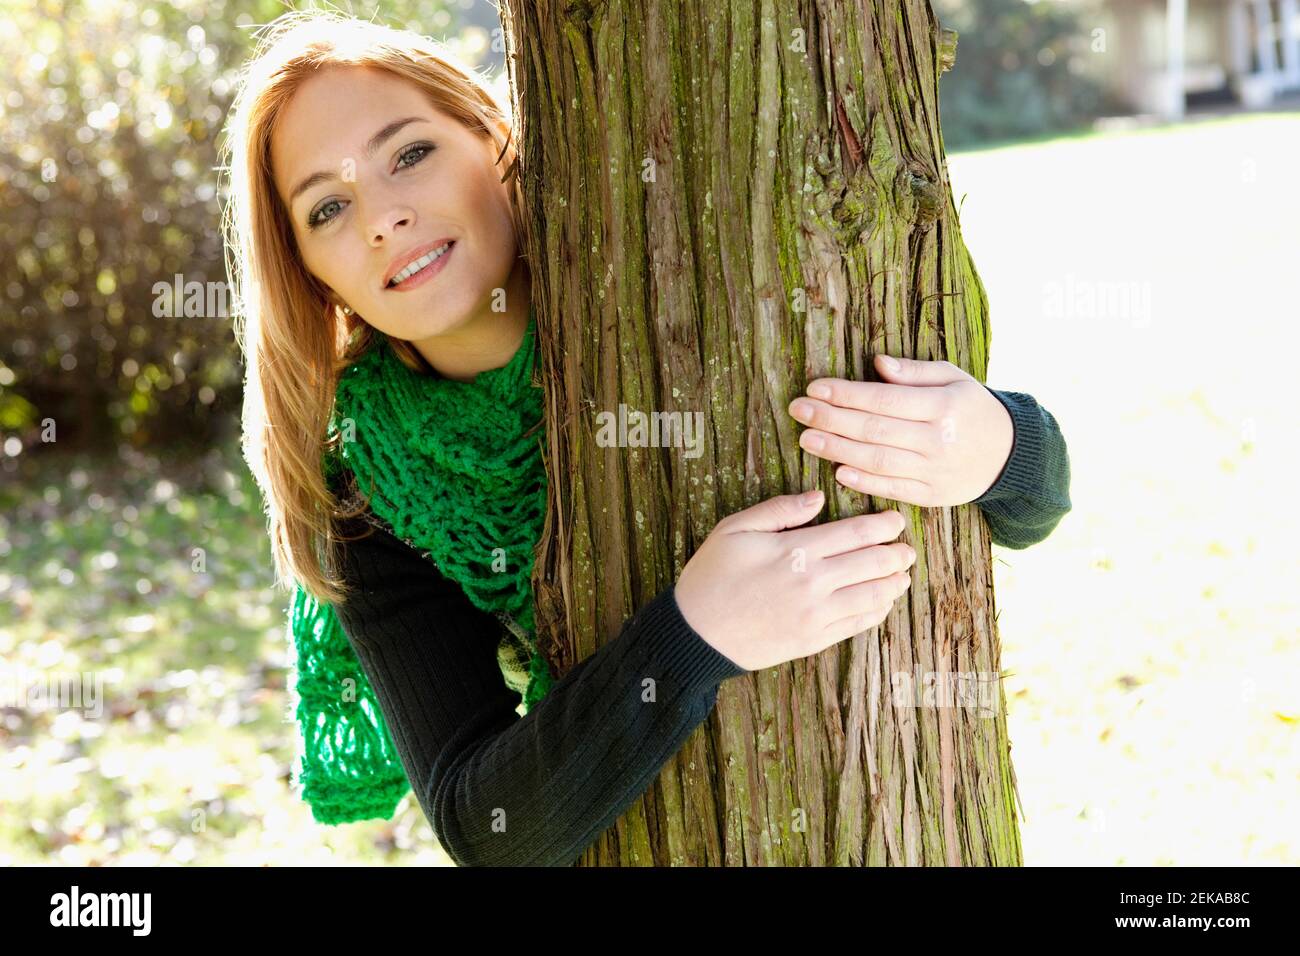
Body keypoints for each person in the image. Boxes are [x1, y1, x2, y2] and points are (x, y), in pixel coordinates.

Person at [222, 11, 1071, 866]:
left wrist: (1002, 447)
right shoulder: (370, 481)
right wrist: (694, 635)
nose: (381, 218)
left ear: (490, 141)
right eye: (328, 207)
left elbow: (1035, 504)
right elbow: (486, 827)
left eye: (409, 154)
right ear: (308, 270)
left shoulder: (668, 260)